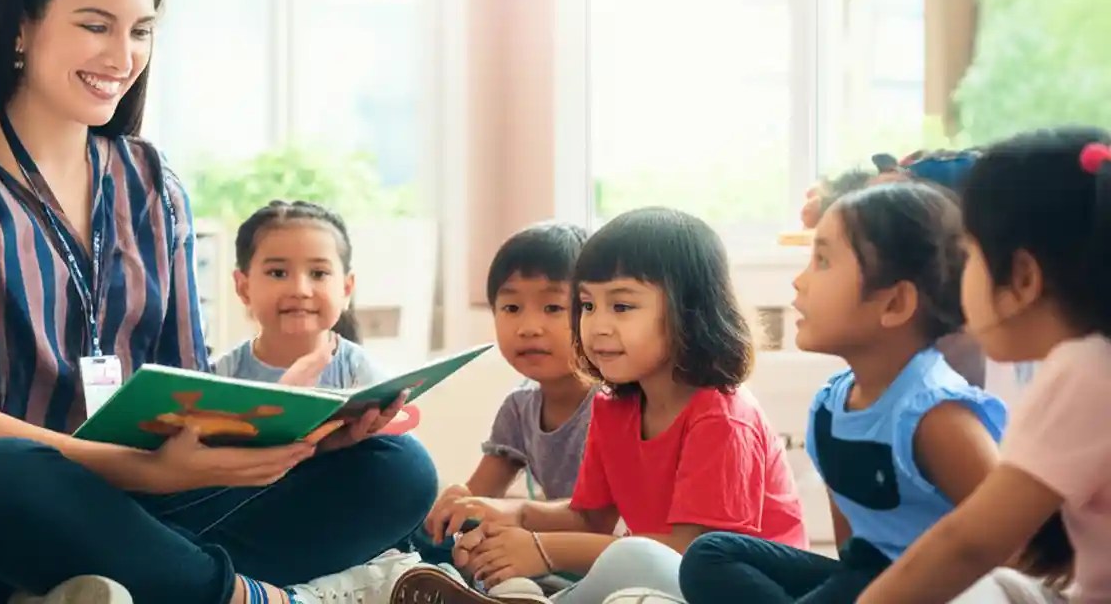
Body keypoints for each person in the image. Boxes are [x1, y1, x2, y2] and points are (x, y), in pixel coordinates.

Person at [0, 0, 435, 604]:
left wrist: (287, 430)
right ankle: (252, 598)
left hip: (142, 514)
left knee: (396, 467)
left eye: (140, 32)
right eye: (95, 26)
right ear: (21, 23)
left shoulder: (150, 182)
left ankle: (121, 586)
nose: (122, 57)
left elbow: (184, 389)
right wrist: (152, 472)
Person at [390, 207, 805, 604]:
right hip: (663, 580)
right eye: (588, 305)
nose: (597, 325)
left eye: (621, 306)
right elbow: (589, 519)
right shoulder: (613, 408)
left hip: (741, 590)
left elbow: (692, 552)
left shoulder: (722, 417)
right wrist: (510, 514)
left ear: (690, 313)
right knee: (606, 568)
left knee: (630, 557)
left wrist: (543, 549)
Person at [674, 182, 1007, 603]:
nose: (799, 281)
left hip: (936, 590)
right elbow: (853, 553)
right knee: (709, 555)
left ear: (894, 304)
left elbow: (1012, 545)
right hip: (866, 576)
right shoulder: (832, 406)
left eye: (823, 261)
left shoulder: (936, 415)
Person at [859, 127, 1111, 604]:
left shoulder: (1086, 371)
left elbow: (968, 544)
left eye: (969, 254)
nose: (961, 276)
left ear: (1022, 277)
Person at [421, 222, 594, 563]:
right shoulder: (520, 405)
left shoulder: (613, 406)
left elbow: (604, 516)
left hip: (598, 551)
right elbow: (481, 492)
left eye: (553, 308)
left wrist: (512, 512)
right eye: (512, 308)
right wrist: (460, 501)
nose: (529, 328)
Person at [213, 199, 385, 388]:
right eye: (278, 273)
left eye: (319, 274)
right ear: (244, 288)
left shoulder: (362, 376)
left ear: (346, 289)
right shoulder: (220, 378)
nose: (300, 290)